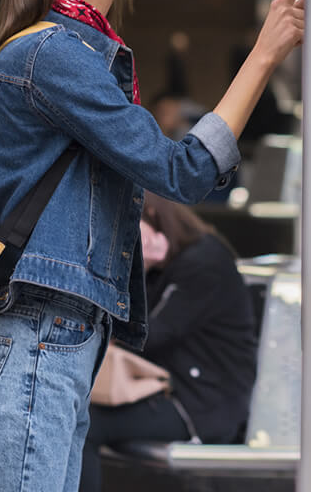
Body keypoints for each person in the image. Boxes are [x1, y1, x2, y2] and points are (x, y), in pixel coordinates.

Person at [0, 0, 304, 492]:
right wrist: (264, 52)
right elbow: (183, 171)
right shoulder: (50, 54)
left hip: (51, 340)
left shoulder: (83, 53)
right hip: (30, 340)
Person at [79, 194, 257, 492]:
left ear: (151, 216)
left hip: (200, 403)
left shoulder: (204, 263)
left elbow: (147, 335)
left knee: (86, 423)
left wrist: (137, 271)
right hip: (168, 388)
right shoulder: (175, 263)